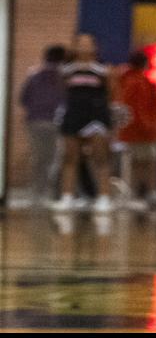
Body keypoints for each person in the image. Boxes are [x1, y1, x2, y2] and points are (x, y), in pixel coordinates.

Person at [50, 32, 116, 213]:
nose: (84, 47)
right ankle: (67, 197)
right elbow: (62, 93)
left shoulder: (104, 70)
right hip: (73, 114)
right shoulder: (66, 70)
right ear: (74, 46)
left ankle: (104, 197)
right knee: (70, 157)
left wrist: (106, 117)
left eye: (88, 43)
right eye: (80, 43)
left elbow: (110, 94)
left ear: (95, 47)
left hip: (96, 115)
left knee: (100, 157)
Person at [114, 50, 156, 211]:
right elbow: (140, 109)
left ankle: (136, 193)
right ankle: (144, 193)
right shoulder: (139, 83)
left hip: (134, 130)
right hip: (142, 131)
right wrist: (151, 128)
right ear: (145, 64)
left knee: (137, 163)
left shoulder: (125, 81)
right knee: (147, 163)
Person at [17, 44, 67, 207]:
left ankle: (37, 193)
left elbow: (23, 98)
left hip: (35, 121)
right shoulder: (63, 77)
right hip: (55, 122)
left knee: (39, 158)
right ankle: (50, 193)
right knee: (53, 159)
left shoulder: (35, 75)